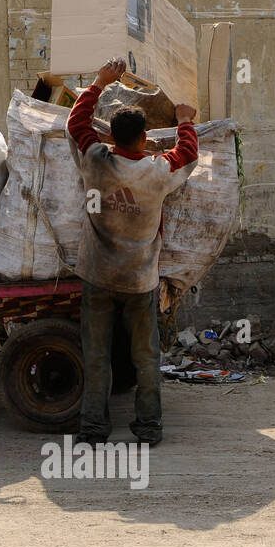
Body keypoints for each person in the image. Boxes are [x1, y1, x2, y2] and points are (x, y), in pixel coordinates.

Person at [66, 57, 198, 447]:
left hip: (98, 275)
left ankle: (93, 428)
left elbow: (77, 124)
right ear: (143, 139)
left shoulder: (96, 161)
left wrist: (100, 82)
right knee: (146, 357)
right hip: (139, 280)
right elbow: (188, 154)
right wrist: (184, 120)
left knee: (96, 355)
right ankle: (149, 426)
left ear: (112, 139)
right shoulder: (157, 172)